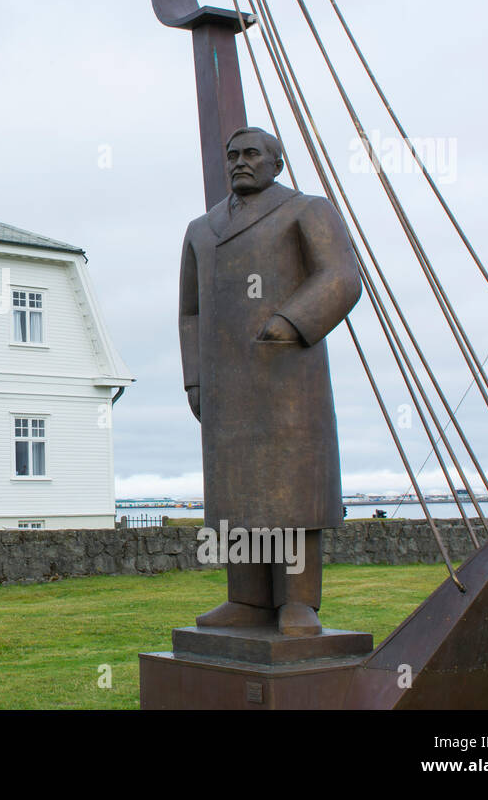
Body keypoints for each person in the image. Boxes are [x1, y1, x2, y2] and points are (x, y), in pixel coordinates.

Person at [179, 126, 362, 636]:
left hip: (288, 377)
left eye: (252, 154)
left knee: (293, 492)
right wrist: (195, 380)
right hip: (225, 383)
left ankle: (298, 602)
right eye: (233, 154)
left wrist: (292, 321)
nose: (240, 162)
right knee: (240, 494)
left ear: (276, 163)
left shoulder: (307, 209)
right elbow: (190, 312)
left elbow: (341, 277)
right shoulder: (201, 229)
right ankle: (248, 599)